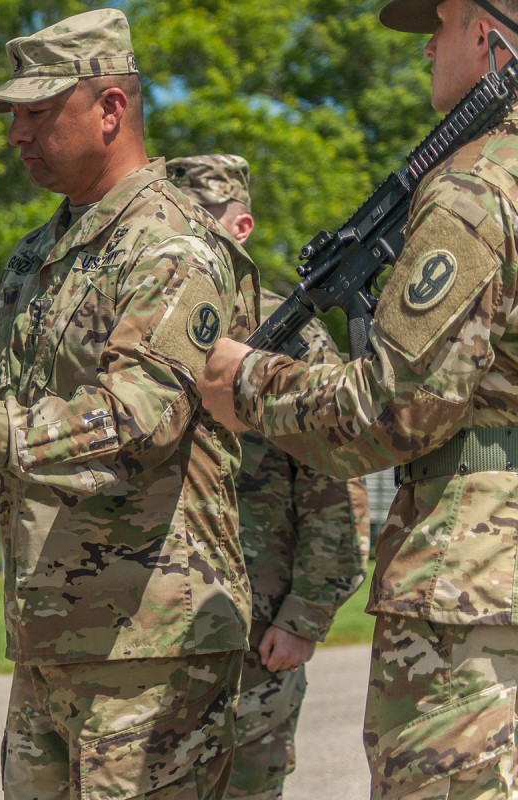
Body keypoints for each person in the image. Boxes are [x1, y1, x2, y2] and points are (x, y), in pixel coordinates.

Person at [0, 9, 257, 798]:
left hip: (153, 643)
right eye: (14, 114)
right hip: (50, 635)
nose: (16, 133)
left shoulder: (174, 244)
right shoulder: (34, 257)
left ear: (111, 109)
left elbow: (138, 417)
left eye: (37, 111)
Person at [198, 1, 518, 796]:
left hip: (477, 580)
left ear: (484, 38)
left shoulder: (476, 194)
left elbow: (392, 411)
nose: (426, 50)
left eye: (438, 28)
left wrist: (247, 382)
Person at [167, 154, 371, 800]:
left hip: (255, 637)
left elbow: (335, 484)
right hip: (147, 626)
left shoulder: (291, 337)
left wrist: (306, 613)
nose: (189, 240)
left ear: (243, 226)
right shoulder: (145, 326)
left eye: (206, 223)